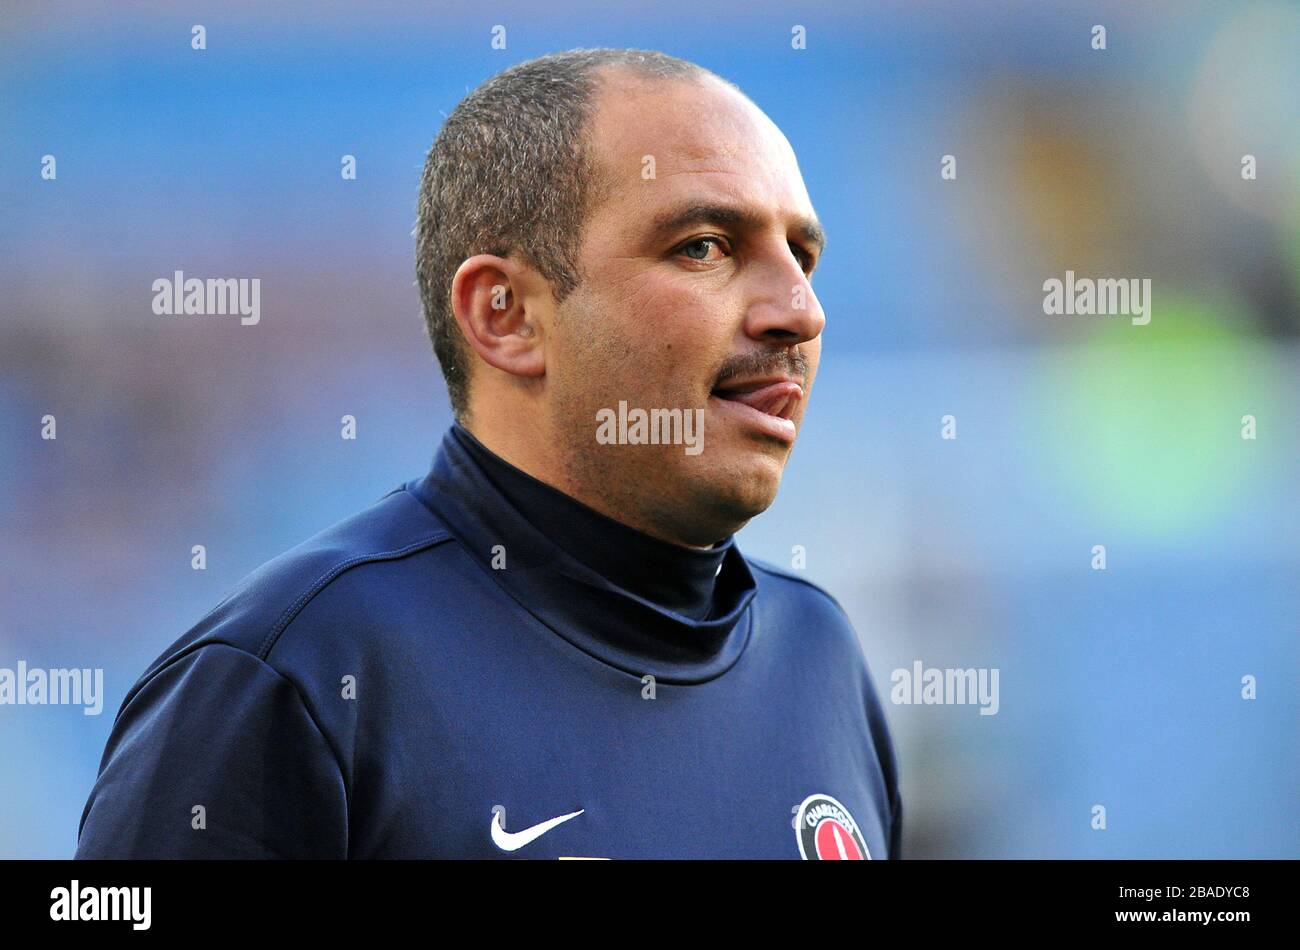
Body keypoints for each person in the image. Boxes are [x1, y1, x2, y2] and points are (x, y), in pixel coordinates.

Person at [76, 47, 901, 859]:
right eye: (705, 246)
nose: (800, 310)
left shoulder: (819, 656)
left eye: (804, 256)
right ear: (504, 315)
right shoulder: (292, 681)